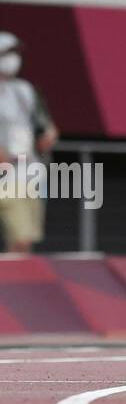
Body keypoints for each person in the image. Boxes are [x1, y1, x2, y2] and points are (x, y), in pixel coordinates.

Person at [0, 33, 59, 254]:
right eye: (8, 53)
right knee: (20, 237)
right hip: (6, 175)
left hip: (31, 171)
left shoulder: (25, 90)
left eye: (15, 53)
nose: (13, 58)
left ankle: (13, 285)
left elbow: (43, 124)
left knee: (25, 242)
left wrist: (49, 134)